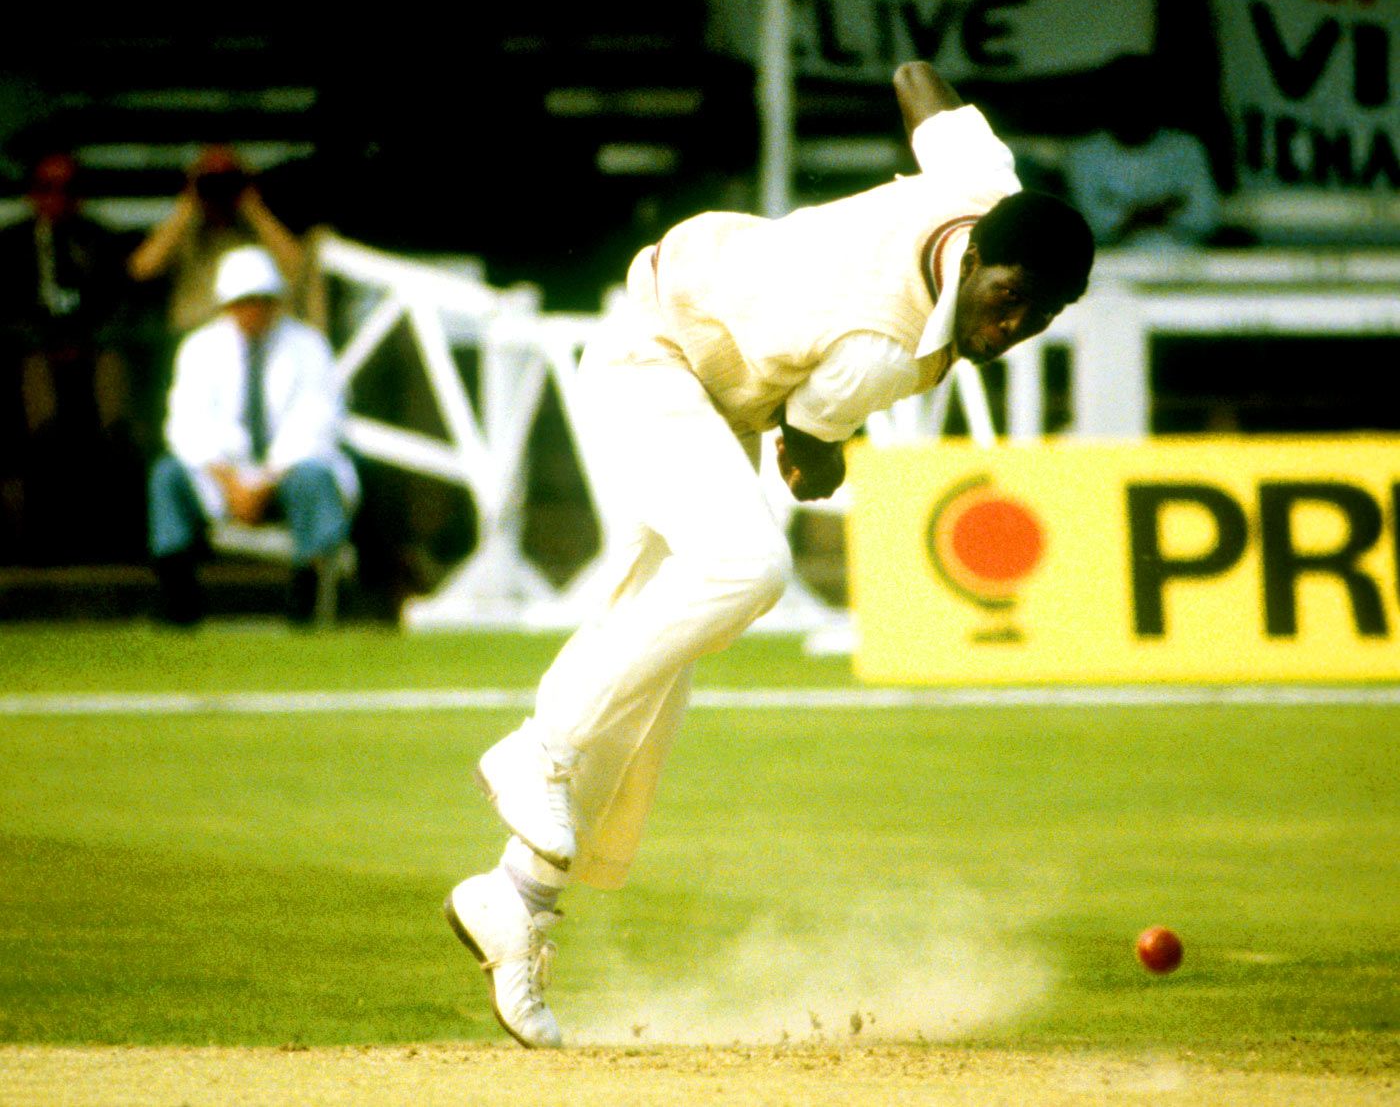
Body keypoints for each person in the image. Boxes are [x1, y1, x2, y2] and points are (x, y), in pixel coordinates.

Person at [443, 62, 1095, 1048]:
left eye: (1036, 319)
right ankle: (535, 745)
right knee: (747, 568)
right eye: (1008, 299)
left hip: (713, 392)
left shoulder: (983, 184)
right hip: (650, 359)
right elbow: (810, 445)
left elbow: (923, 88)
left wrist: (914, 86)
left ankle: (515, 898)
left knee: (652, 678)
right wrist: (819, 451)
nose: (1008, 327)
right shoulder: (881, 340)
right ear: (980, 261)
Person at [147, 246, 358, 625]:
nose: (253, 311)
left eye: (262, 301)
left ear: (276, 301)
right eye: (243, 302)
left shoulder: (308, 346)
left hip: (287, 475)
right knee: (168, 476)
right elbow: (185, 423)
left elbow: (318, 420)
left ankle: (307, 596)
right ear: (227, 305)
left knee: (315, 477)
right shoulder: (199, 348)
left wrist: (267, 481)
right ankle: (179, 598)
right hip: (221, 478)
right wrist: (230, 481)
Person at [0, 151, 141, 563]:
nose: (57, 198)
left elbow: (121, 304)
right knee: (36, 376)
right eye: (47, 188)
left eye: (69, 189)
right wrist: (41, 341)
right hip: (27, 358)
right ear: (32, 194)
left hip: (92, 353)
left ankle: (114, 439)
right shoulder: (10, 246)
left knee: (112, 368)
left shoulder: (100, 241)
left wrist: (85, 341)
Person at [127, 144, 307, 339]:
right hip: (193, 332)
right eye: (211, 181)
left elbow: (298, 266)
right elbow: (142, 269)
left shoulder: (257, 232)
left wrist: (253, 207)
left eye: (228, 181)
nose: (220, 190)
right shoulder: (184, 232)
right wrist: (188, 204)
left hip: (250, 335)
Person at [1062, 111, 1219, 248]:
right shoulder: (1083, 154)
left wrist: (1127, 213)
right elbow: (1094, 226)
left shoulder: (1186, 148)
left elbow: (1203, 218)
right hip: (1110, 262)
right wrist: (1161, 208)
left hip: (1185, 259)